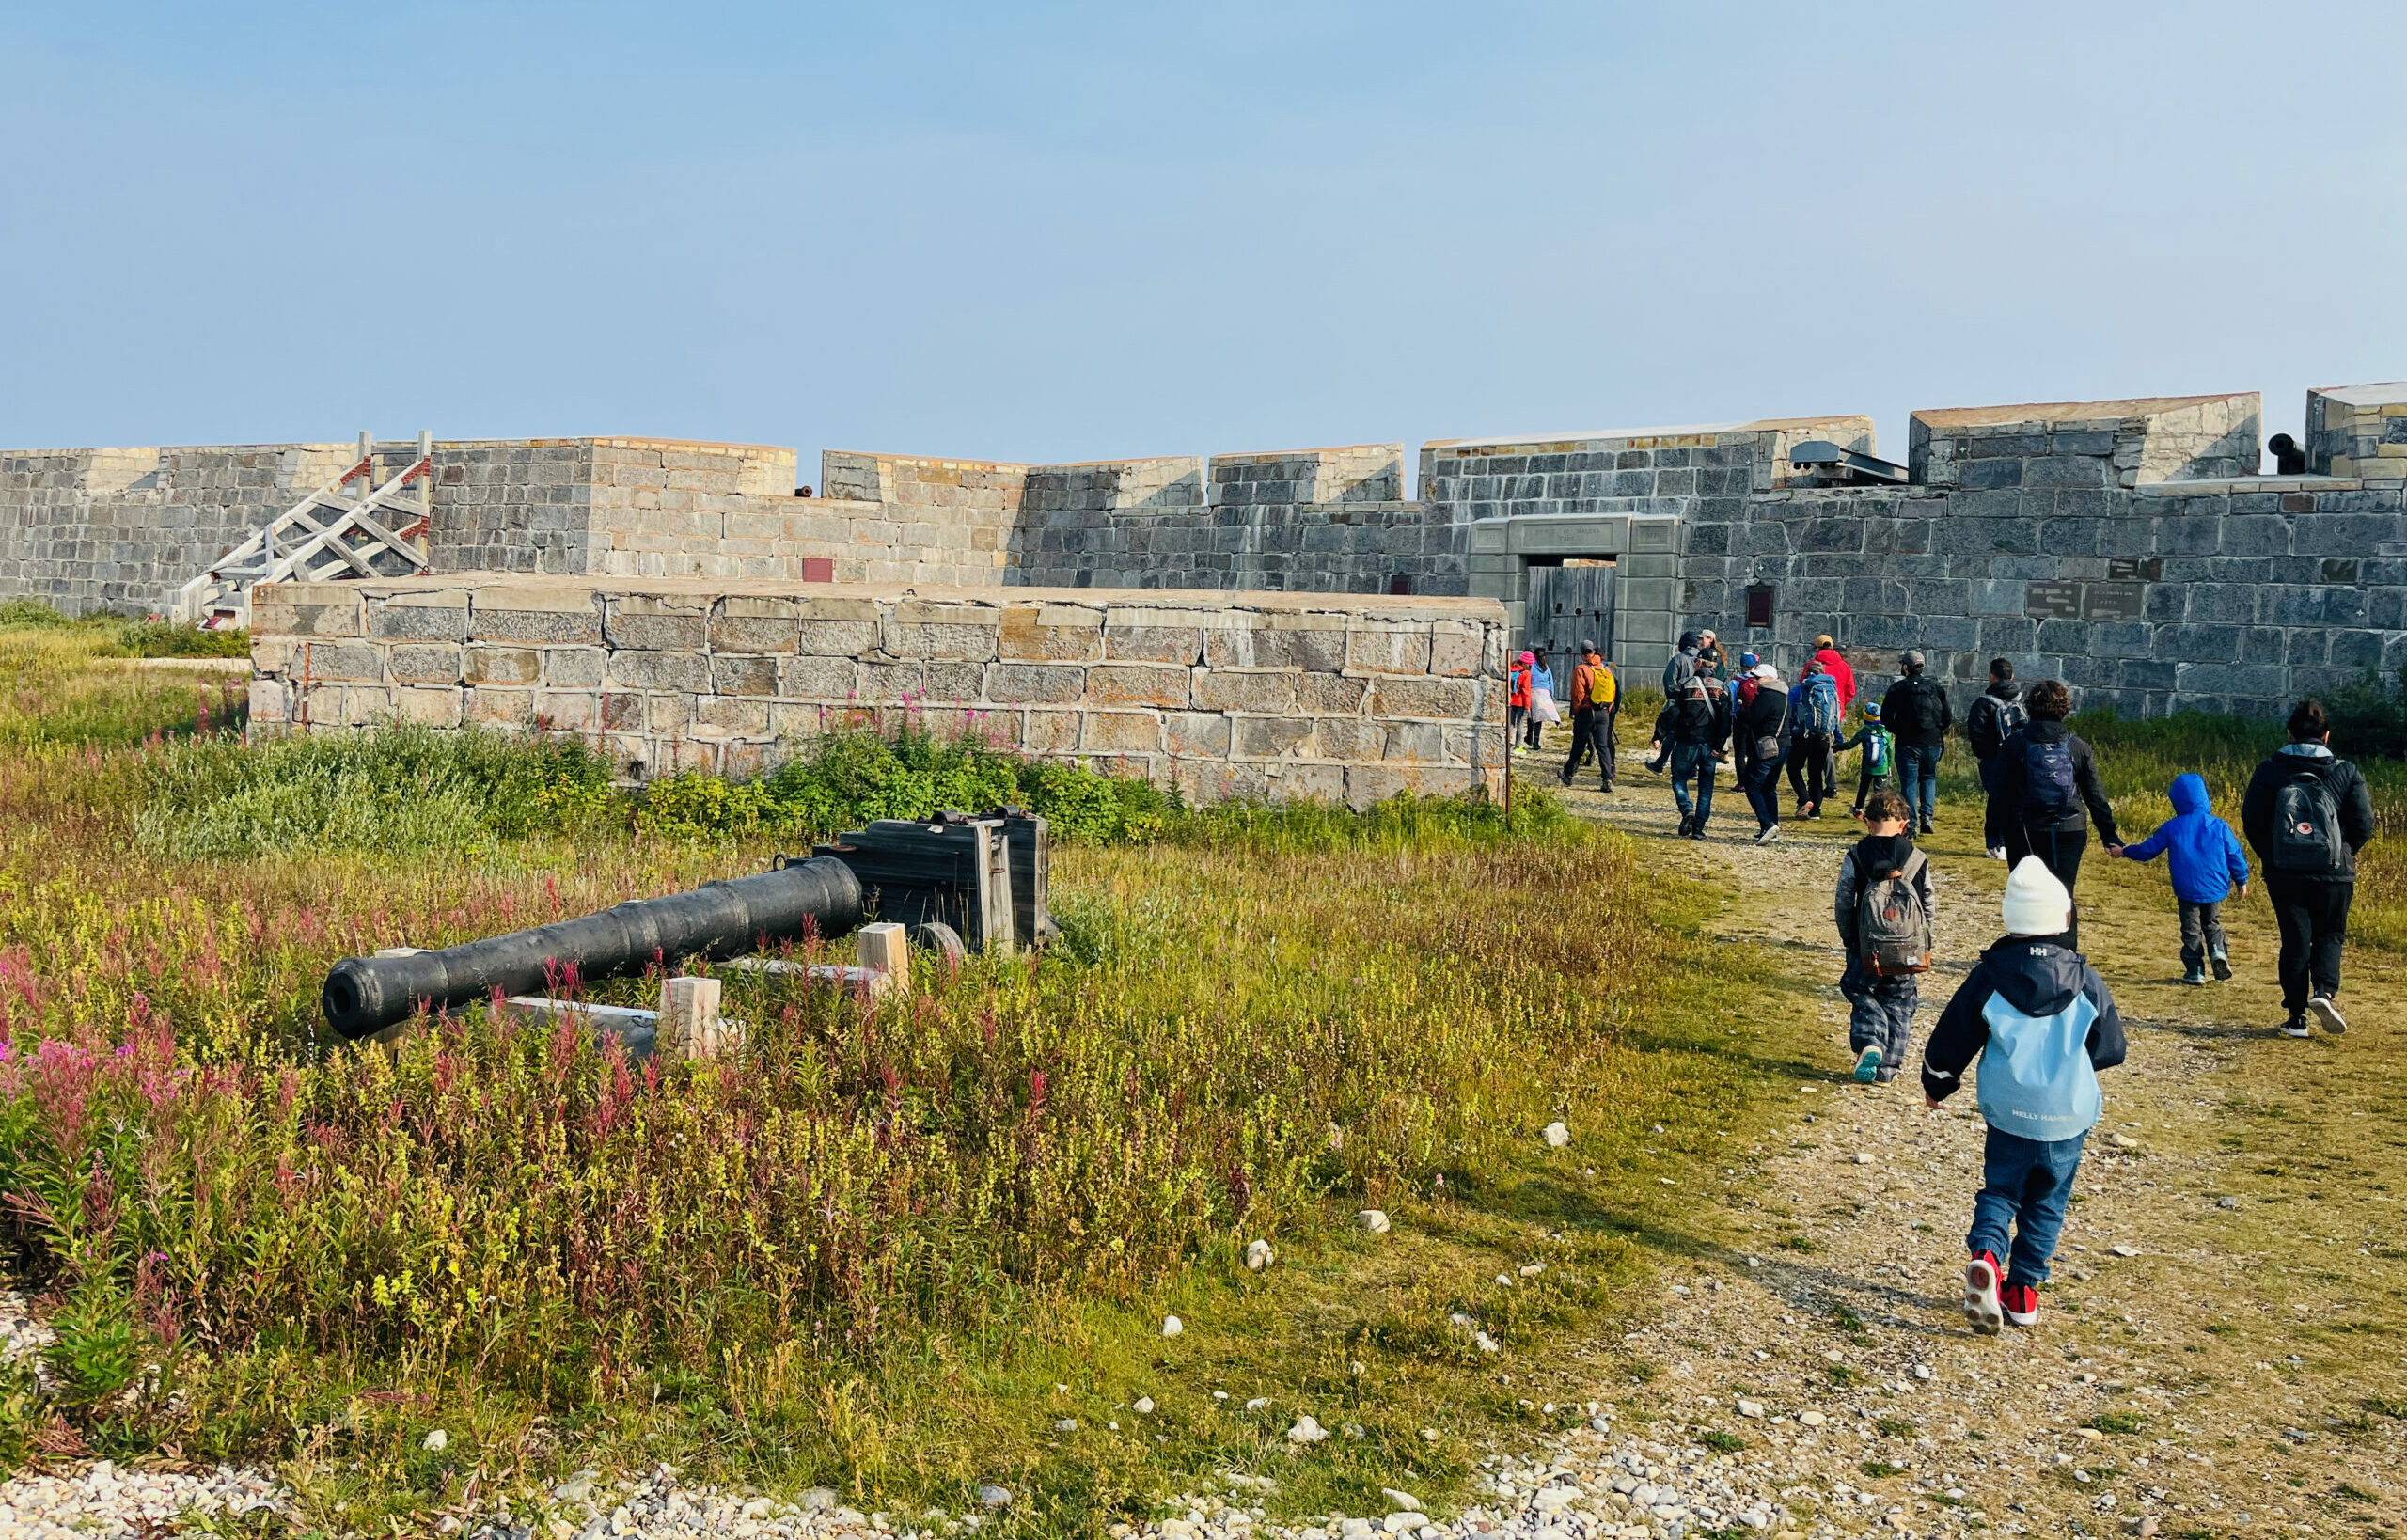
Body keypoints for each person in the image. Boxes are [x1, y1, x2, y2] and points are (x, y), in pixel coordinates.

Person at [1921, 857, 2124, 1334]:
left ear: (2010, 919)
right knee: (2047, 1202)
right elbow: (2111, 1048)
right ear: (2065, 919)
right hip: (2066, 1117)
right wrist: (2075, 1064)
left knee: (2002, 1190)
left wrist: (1938, 1082)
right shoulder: (2085, 980)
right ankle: (2022, 1290)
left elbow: (1954, 1035)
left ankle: (1988, 1254)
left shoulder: (1991, 977)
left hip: (2009, 1113)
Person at [2241, 699, 2377, 1038]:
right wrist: (2343, 853)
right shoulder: (2346, 771)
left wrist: (2272, 856)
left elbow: (2252, 820)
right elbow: (2364, 823)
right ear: (2326, 736)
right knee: (2330, 934)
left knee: (2295, 939)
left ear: (2288, 734)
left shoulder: (2270, 769)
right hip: (2335, 871)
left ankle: (2296, 1017)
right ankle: (2325, 993)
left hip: (2285, 871)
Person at [1983, 680, 2121, 949]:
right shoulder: (2076, 746)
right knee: (2064, 892)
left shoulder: (2015, 744)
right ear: (2065, 709)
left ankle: (2028, 952)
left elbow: (1998, 792)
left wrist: (1993, 834)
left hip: (2024, 829)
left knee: (2027, 891)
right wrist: (2109, 835)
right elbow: (2095, 796)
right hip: (2070, 829)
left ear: (2030, 708)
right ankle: (2066, 956)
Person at [1835, 789, 1935, 1084]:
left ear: (1867, 821)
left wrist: (1848, 937)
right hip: (1907, 947)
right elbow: (1928, 902)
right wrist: (1926, 942)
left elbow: (1843, 900)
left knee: (1859, 989)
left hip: (1865, 946)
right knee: (1901, 1001)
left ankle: (1870, 1041)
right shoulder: (1917, 857)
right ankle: (1887, 1069)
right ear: (1904, 824)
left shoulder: (1856, 854)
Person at [2119, 773, 2251, 985]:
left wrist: (2125, 851)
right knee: (2212, 924)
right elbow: (2234, 854)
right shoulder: (2219, 825)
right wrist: (2241, 879)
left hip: (2187, 888)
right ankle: (2218, 952)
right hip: (2214, 886)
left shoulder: (2173, 827)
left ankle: (2196, 970)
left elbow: (2148, 850)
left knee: (2191, 929)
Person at [1881, 649, 1953, 835]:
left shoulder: (1898, 689)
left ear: (1906, 667)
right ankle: (1927, 817)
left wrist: (1897, 729)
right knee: (1929, 777)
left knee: (1909, 783)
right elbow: (1947, 717)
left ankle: (1911, 823)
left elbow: (1885, 717)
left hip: (1908, 742)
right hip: (1932, 742)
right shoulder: (1935, 688)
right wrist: (1936, 730)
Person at [1967, 658, 2028, 860]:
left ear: (1991, 676)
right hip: (2019, 758)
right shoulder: (2022, 701)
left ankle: (1995, 844)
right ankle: (2014, 842)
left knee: (1996, 800)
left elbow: (1976, 732)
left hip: (1993, 758)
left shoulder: (1984, 703)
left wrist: (1982, 756)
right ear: (2012, 677)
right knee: (2016, 800)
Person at [1668, 677, 1730, 840]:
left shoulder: (1686, 685)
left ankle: (1687, 809)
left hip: (1686, 741)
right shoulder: (1721, 687)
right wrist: (1720, 745)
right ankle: (1698, 827)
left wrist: (1659, 734)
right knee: (1706, 785)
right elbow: (1725, 718)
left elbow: (1673, 711)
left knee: (1679, 777)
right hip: (1709, 745)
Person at [1737, 661, 1788, 843]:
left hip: (1767, 746)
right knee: (1769, 787)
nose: (1755, 681)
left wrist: (1740, 710)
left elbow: (1752, 718)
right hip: (1783, 745)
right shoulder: (1784, 694)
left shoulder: (1767, 695)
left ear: (1769, 678)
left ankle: (1767, 824)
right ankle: (1771, 828)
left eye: (1758, 677)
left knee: (1752, 785)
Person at [1557, 640, 1618, 791]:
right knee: (1602, 745)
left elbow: (1578, 693)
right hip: (1603, 711)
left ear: (1583, 654)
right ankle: (1608, 779)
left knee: (1579, 744)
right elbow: (1613, 691)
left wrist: (1577, 711)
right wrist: (1608, 708)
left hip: (1586, 711)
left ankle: (1568, 774)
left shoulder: (1581, 669)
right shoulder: (1606, 669)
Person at [1790, 658, 1843, 818]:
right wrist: (1838, 738)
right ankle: (1816, 811)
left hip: (1802, 736)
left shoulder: (1799, 690)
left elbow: (1790, 712)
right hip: (1824, 738)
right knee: (1815, 774)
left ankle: (1804, 798)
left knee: (1793, 768)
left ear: (1806, 673)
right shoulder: (1832, 691)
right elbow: (1836, 716)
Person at [1837, 699, 1895, 817]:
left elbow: (1851, 744)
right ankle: (1880, 812)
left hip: (1867, 766)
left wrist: (1837, 747)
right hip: (1882, 767)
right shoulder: (1886, 732)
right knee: (1879, 791)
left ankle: (1858, 809)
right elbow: (1889, 751)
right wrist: (1889, 766)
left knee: (1863, 787)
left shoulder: (1865, 731)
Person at [1523, 648, 1559, 752]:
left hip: (1534, 693)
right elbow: (1551, 681)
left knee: (1531, 717)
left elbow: (1528, 680)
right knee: (1539, 719)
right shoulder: (1546, 667)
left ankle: (1529, 737)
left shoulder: (1532, 667)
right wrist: (1552, 695)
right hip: (1545, 693)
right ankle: (1536, 742)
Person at [1813, 634, 1857, 715]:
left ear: (1818, 648)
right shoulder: (1845, 667)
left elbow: (1803, 686)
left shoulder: (1812, 665)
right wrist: (1840, 703)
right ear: (1832, 647)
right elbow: (1851, 692)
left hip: (1815, 712)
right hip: (1837, 711)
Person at [1662, 632, 1703, 699]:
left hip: (1681, 702)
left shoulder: (1677, 659)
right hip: (1700, 704)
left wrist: (1676, 698)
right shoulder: (1704, 659)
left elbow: (1669, 682)